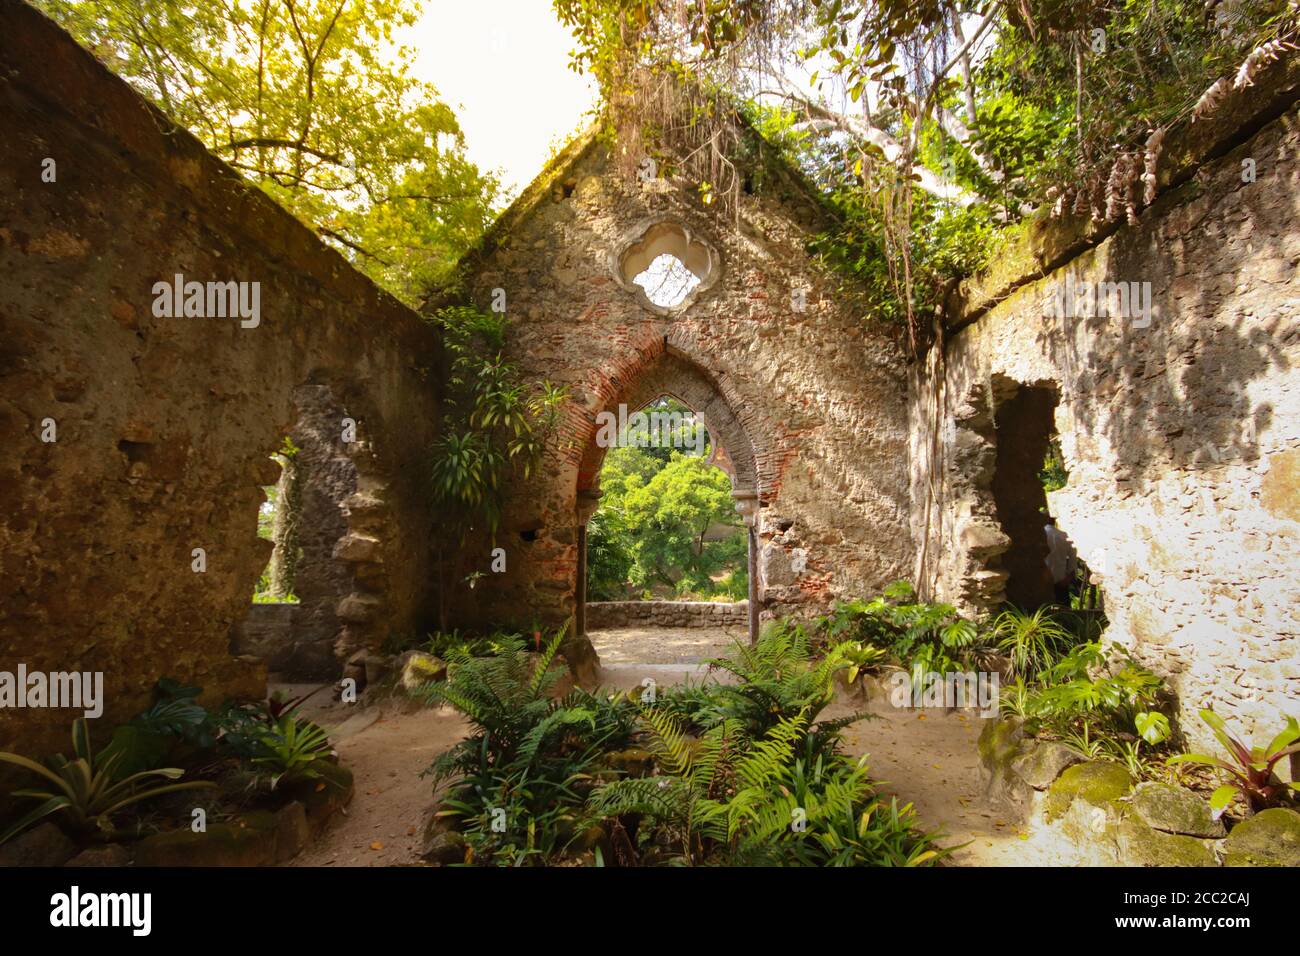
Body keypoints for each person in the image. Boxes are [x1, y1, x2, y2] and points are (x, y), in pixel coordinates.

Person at [1043, 516, 1077, 606]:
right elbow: (1073, 558)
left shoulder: (1039, 535)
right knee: (1064, 611)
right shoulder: (1065, 535)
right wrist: (1069, 577)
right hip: (1061, 580)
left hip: (1042, 579)